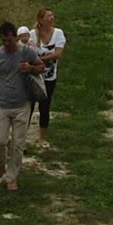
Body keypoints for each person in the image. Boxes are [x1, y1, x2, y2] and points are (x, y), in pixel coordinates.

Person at [0, 21, 44, 192]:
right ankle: (1, 161)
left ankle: (11, 176)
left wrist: (30, 68)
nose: (7, 44)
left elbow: (41, 67)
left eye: (10, 40)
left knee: (18, 144)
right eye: (4, 41)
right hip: (3, 104)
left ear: (16, 37)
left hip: (22, 104)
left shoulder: (26, 52)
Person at [29, 8, 66, 148]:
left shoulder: (58, 33)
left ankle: (43, 138)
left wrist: (38, 60)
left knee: (45, 106)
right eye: (49, 16)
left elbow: (58, 54)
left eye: (52, 15)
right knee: (29, 106)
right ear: (41, 20)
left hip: (50, 77)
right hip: (33, 76)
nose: (52, 18)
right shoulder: (32, 35)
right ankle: (22, 136)